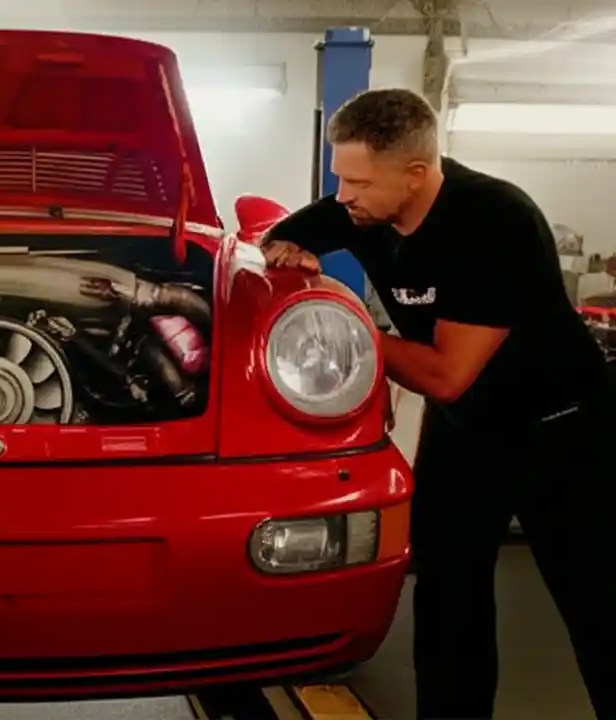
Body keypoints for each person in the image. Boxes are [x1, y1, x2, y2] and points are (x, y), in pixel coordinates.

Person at [261, 88, 615, 719]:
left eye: (359, 180)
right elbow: (287, 231)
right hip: (469, 430)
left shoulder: (493, 220)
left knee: (595, 602)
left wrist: (350, 332)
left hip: (561, 432)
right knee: (448, 598)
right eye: (341, 176)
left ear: (416, 173)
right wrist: (285, 248)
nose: (343, 195)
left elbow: (447, 373)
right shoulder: (362, 207)